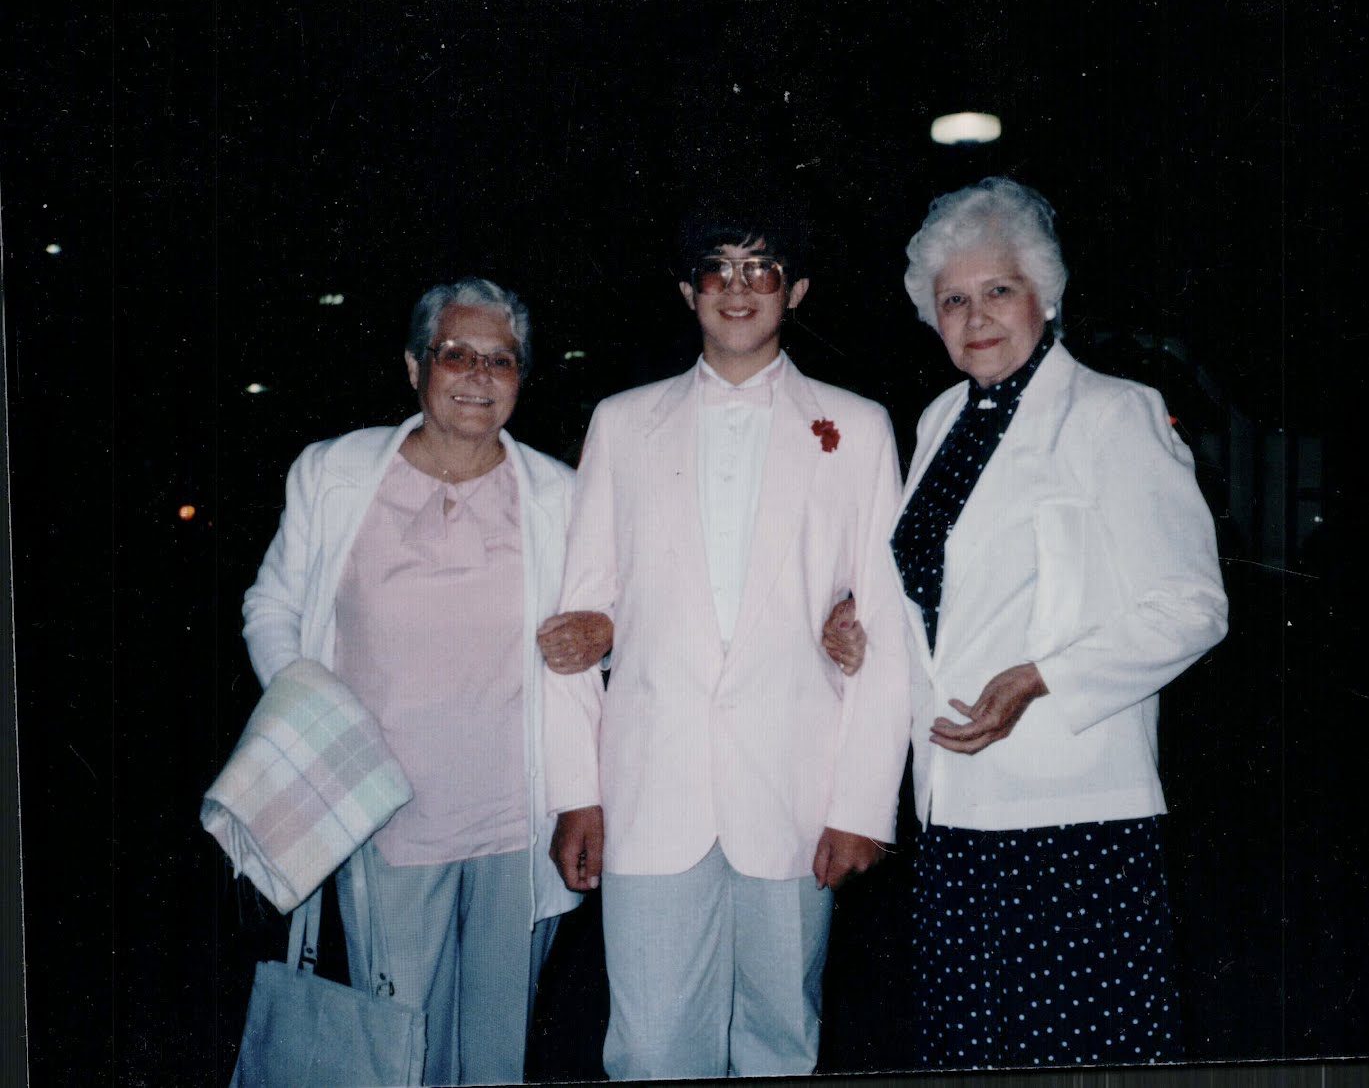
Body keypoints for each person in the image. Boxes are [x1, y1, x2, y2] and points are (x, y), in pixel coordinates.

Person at [538, 197, 912, 1080]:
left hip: (794, 790)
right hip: (647, 792)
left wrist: (861, 806)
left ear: (797, 289)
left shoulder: (856, 429)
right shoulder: (622, 424)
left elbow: (889, 627)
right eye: (719, 267)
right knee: (652, 1043)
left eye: (762, 268)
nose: (738, 288)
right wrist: (575, 794)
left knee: (784, 1038)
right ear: (687, 289)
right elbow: (573, 624)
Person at [880, 177, 1228, 1068]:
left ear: (1045, 294)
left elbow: (1193, 605)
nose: (975, 315)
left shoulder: (1115, 414)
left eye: (998, 290)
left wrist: (1042, 677)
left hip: (1072, 806)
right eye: (953, 299)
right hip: (953, 802)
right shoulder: (938, 420)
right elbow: (942, 595)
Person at [241, 278, 581, 1085]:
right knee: (393, 1047)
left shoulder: (560, 495)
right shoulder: (336, 472)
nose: (476, 374)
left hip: (516, 819)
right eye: (454, 353)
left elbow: (595, 636)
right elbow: (271, 605)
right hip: (383, 810)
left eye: (500, 359)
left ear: (522, 378)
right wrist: (307, 719)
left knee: (499, 1050)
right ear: (413, 366)